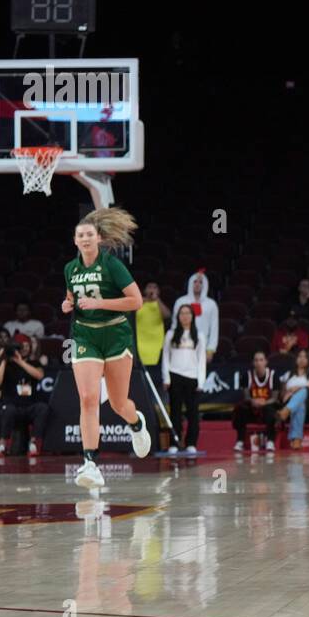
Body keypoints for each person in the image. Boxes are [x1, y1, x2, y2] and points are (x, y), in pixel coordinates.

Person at [61, 208, 152, 488]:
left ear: (98, 238)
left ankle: (136, 424)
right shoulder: (70, 269)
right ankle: (90, 464)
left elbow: (136, 301)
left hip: (115, 335)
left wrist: (101, 303)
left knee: (117, 403)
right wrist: (67, 305)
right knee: (88, 398)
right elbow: (72, 297)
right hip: (85, 336)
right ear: (75, 241)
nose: (85, 238)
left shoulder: (112, 265)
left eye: (89, 234)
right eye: (80, 235)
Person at [162, 303, 207, 454]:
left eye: (188, 313)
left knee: (193, 412)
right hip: (175, 376)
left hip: (192, 378)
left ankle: (191, 443)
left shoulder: (199, 335)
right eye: (182, 313)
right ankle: (174, 443)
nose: (185, 316)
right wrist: (166, 378)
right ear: (178, 316)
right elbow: (166, 358)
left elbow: (201, 361)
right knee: (175, 411)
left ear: (192, 316)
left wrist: (201, 381)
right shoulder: (171, 334)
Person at [0, 337, 49, 456]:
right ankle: (2, 444)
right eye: (20, 347)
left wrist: (20, 362)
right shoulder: (6, 365)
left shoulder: (34, 363)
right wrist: (4, 360)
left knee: (42, 408)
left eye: (26, 346)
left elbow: (39, 375)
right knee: (8, 409)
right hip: (11, 406)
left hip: (29, 405)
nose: (23, 349)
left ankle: (34, 444)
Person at [232, 350, 279, 452]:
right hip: (252, 408)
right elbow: (246, 397)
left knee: (271, 411)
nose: (258, 363)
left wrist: (264, 402)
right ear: (253, 363)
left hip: (267, 407)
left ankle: (270, 441)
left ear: (266, 362)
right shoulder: (247, 376)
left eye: (261, 360)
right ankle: (240, 441)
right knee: (240, 409)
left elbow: (275, 398)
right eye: (256, 360)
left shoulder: (273, 375)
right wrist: (253, 401)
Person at [278, 349, 309, 449]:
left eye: (305, 357)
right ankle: (297, 440)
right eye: (299, 356)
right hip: (293, 403)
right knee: (299, 405)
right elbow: (282, 394)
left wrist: (296, 389)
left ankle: (285, 411)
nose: (302, 359)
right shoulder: (288, 374)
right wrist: (287, 393)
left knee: (304, 390)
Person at [136, 281, 171, 406]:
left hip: (157, 350)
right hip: (140, 348)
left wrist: (157, 300)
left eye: (155, 287)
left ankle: (160, 408)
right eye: (149, 287)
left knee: (157, 381)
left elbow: (167, 315)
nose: (152, 289)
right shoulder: (139, 303)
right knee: (142, 382)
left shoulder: (159, 304)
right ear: (144, 290)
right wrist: (143, 300)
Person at [173, 271, 219, 364]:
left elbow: (214, 328)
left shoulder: (211, 304)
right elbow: (175, 324)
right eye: (195, 282)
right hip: (183, 345)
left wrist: (210, 350)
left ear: (205, 285)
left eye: (200, 282)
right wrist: (174, 343)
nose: (197, 284)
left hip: (203, 346)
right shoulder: (180, 302)